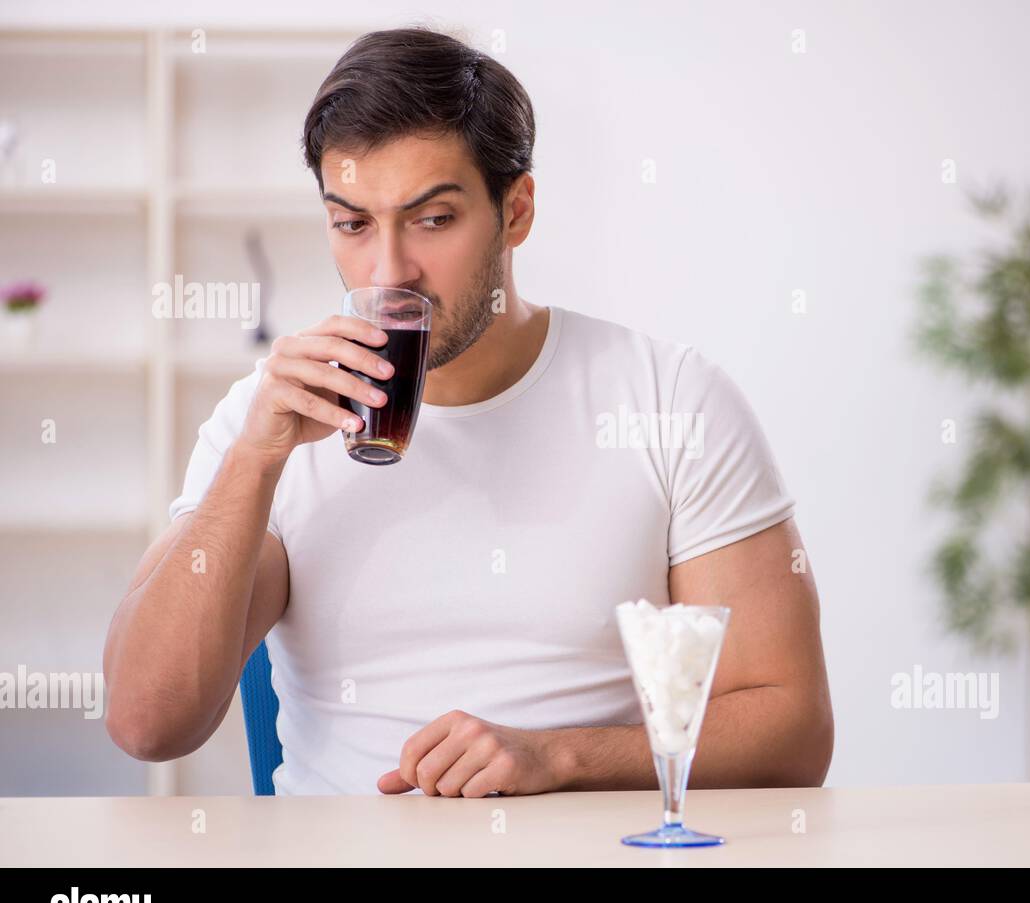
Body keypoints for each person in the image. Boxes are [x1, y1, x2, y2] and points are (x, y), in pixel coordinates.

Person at [104, 27, 832, 796]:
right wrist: (252, 464)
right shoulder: (268, 420)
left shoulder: (670, 399)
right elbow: (147, 723)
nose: (390, 270)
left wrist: (559, 757)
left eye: (433, 219)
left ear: (515, 211)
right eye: (353, 224)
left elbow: (792, 727)